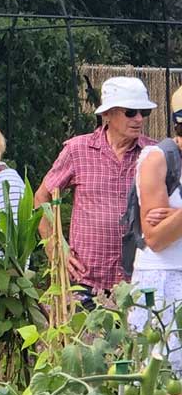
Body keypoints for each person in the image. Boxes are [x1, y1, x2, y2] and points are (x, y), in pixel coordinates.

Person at [35, 75, 157, 306]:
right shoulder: (78, 150)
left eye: (144, 112)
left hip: (139, 282)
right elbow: (42, 197)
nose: (139, 119)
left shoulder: (154, 154)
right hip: (85, 282)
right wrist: (56, 248)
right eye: (131, 112)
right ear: (107, 114)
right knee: (84, 331)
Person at [125, 85, 182, 377]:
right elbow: (156, 238)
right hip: (163, 284)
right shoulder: (158, 159)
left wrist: (174, 217)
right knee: (164, 379)